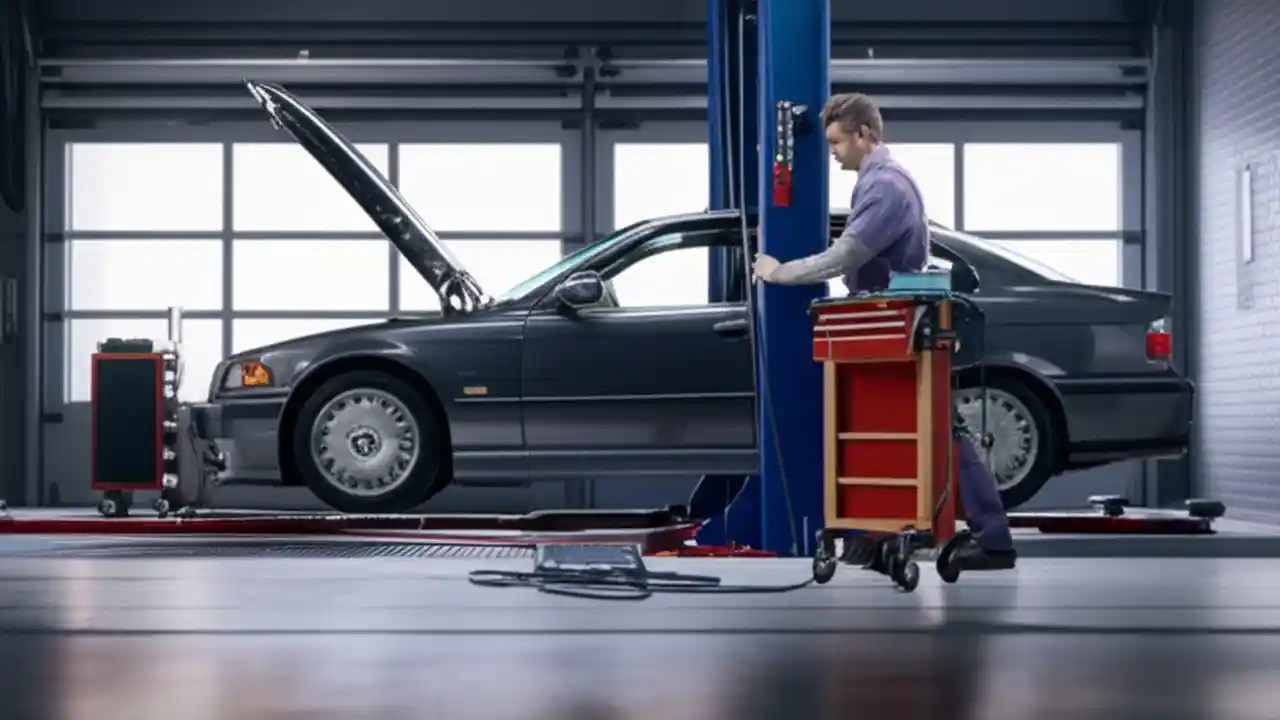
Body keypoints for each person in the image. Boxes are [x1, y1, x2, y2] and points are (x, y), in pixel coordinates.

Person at [752, 92, 1016, 571]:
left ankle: (991, 538)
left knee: (933, 428)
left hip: (901, 321)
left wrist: (780, 271)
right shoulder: (877, 181)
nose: (831, 152)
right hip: (893, 318)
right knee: (906, 426)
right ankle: (889, 534)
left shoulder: (885, 187)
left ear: (864, 135)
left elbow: (846, 255)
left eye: (836, 143)